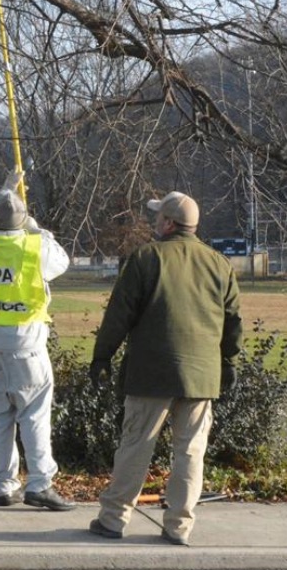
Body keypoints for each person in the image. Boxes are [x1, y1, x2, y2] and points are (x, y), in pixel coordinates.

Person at [88, 191, 242, 547]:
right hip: (201, 375)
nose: (154, 221)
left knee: (136, 445)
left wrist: (102, 357)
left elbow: (118, 316)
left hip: (150, 372)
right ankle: (179, 526)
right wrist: (229, 361)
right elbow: (233, 321)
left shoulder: (145, 258)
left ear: (169, 223)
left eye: (158, 217)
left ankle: (113, 519)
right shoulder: (219, 263)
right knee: (190, 452)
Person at [0, 169, 75, 511]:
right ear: (23, 222)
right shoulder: (35, 247)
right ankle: (40, 484)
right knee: (34, 416)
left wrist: (4, 189)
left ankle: (4, 485)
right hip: (26, 344)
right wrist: (34, 226)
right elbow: (61, 259)